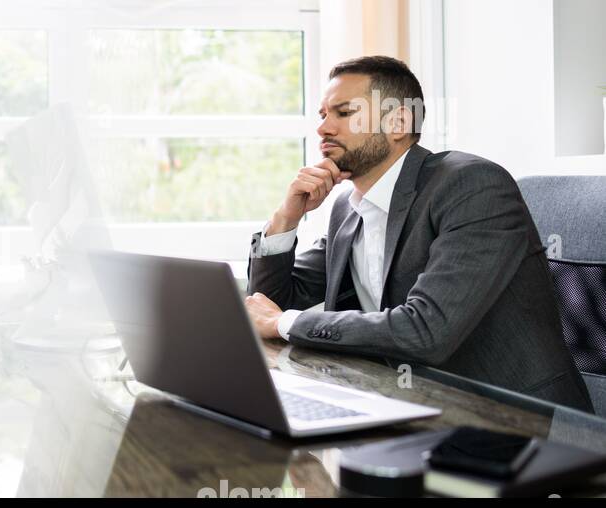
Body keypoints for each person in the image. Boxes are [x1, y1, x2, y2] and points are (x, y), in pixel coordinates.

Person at [245, 55, 591, 412]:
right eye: (322, 115)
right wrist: (285, 219)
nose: (323, 129)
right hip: (402, 403)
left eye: (344, 113)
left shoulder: (470, 186)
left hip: (510, 420)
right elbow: (268, 305)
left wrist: (283, 322)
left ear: (398, 122)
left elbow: (426, 331)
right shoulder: (347, 208)